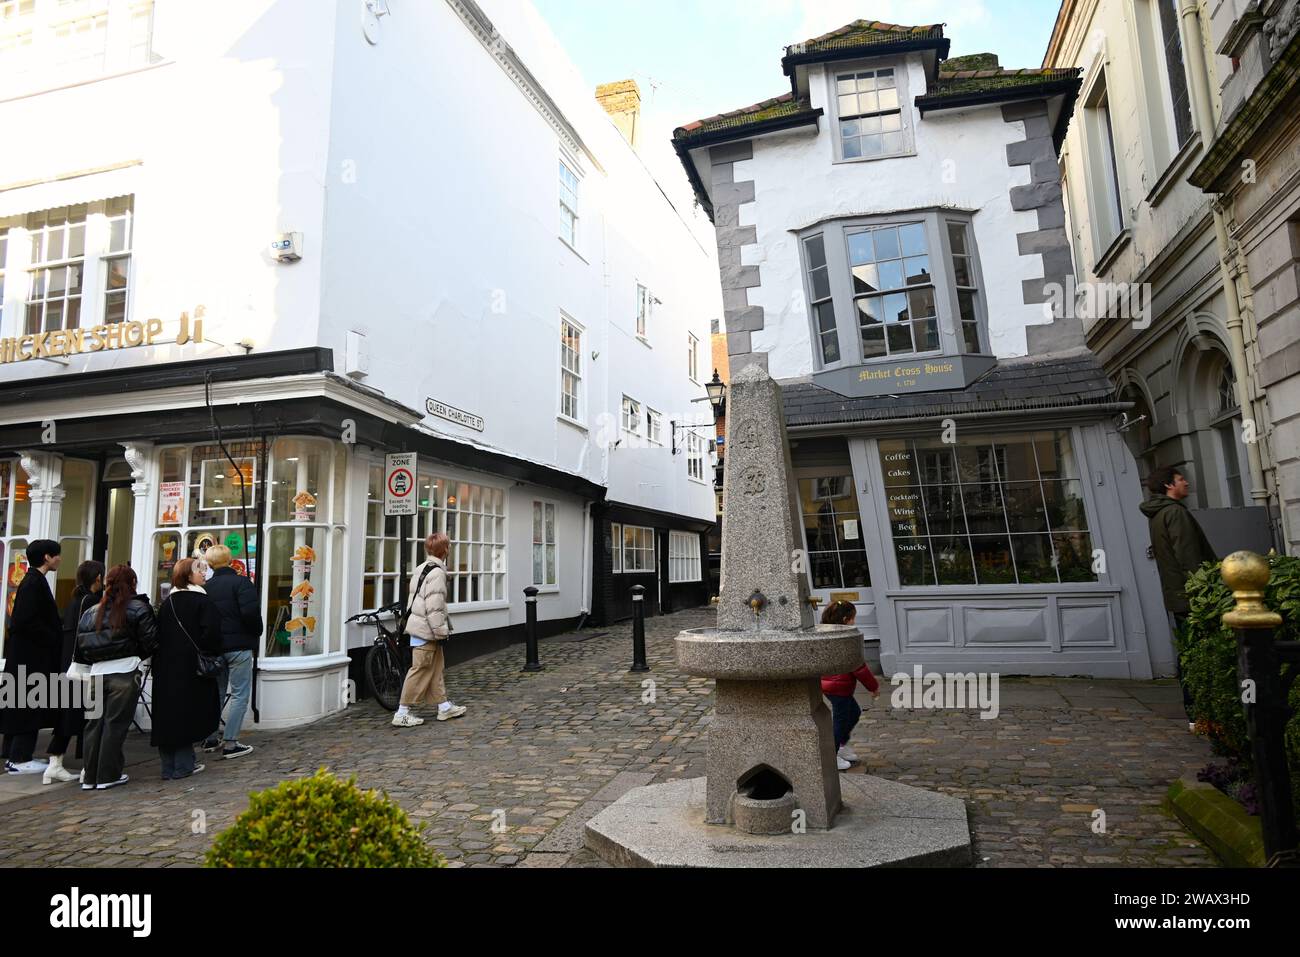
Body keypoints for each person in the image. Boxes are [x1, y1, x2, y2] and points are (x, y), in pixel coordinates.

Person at [1139, 465, 1218, 726]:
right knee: (1196, 653)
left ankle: (1196, 712)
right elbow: (1188, 556)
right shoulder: (1174, 513)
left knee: (1188, 651)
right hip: (1191, 595)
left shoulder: (1159, 513)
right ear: (1168, 486)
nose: (1186, 482)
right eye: (1181, 479)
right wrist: (1203, 589)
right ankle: (1199, 712)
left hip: (1177, 594)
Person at [73, 564, 158, 790]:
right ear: (132, 584)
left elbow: (81, 647)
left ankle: (90, 777)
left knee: (93, 725)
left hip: (96, 673)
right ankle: (108, 775)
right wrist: (137, 656)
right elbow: (151, 642)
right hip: (124, 672)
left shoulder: (91, 612)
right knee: (115, 725)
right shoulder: (138, 607)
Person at [152, 559, 223, 780]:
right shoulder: (202, 601)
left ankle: (169, 767)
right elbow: (212, 635)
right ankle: (183, 765)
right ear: (187, 575)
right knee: (188, 715)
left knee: (168, 715)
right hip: (192, 667)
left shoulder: (167, 603)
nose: (204, 574)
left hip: (166, 667)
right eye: (198, 570)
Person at [1, 540, 62, 775]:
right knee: (28, 703)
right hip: (30, 657)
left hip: (27, 655)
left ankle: (14, 754)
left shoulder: (32, 581)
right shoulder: (33, 583)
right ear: (47, 557)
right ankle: (20, 757)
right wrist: (51, 636)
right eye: (57, 555)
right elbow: (24, 622)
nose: (59, 559)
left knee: (22, 703)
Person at [392, 532, 465, 727]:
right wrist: (441, 632)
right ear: (445, 550)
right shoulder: (437, 573)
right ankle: (402, 712)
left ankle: (444, 707)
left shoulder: (421, 568)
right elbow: (434, 607)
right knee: (420, 669)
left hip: (421, 627)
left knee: (435, 669)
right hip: (426, 630)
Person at [45, 560, 104, 784]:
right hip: (82, 663)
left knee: (68, 714)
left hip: (68, 663)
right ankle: (85, 767)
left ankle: (55, 763)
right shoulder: (90, 601)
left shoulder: (75, 600)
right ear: (97, 578)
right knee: (88, 716)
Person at [200, 544, 260, 759]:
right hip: (239, 646)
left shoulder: (206, 587)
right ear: (230, 560)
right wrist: (256, 633)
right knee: (239, 694)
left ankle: (210, 736)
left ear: (209, 563)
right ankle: (231, 742)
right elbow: (251, 613)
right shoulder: (242, 583)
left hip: (215, 647)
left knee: (215, 693)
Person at [818, 601, 879, 771]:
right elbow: (859, 667)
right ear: (845, 620)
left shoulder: (825, 634)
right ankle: (832, 754)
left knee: (853, 713)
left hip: (831, 685)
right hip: (839, 688)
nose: (854, 622)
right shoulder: (847, 638)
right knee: (841, 719)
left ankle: (841, 746)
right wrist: (873, 687)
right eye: (853, 618)